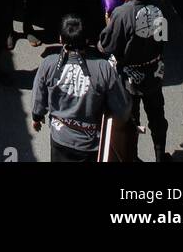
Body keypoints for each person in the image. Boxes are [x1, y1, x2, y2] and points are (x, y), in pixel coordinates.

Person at [31, 15, 132, 163]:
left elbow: (38, 98)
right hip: (91, 142)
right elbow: (122, 109)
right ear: (87, 41)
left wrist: (37, 117)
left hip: (60, 137)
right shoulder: (103, 68)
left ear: (60, 39)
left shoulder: (48, 64)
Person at [97, 0, 170, 162]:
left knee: (131, 120)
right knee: (157, 118)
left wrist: (108, 20)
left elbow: (106, 46)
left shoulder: (121, 13)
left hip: (130, 78)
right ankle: (160, 156)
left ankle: (133, 157)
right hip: (155, 70)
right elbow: (162, 36)